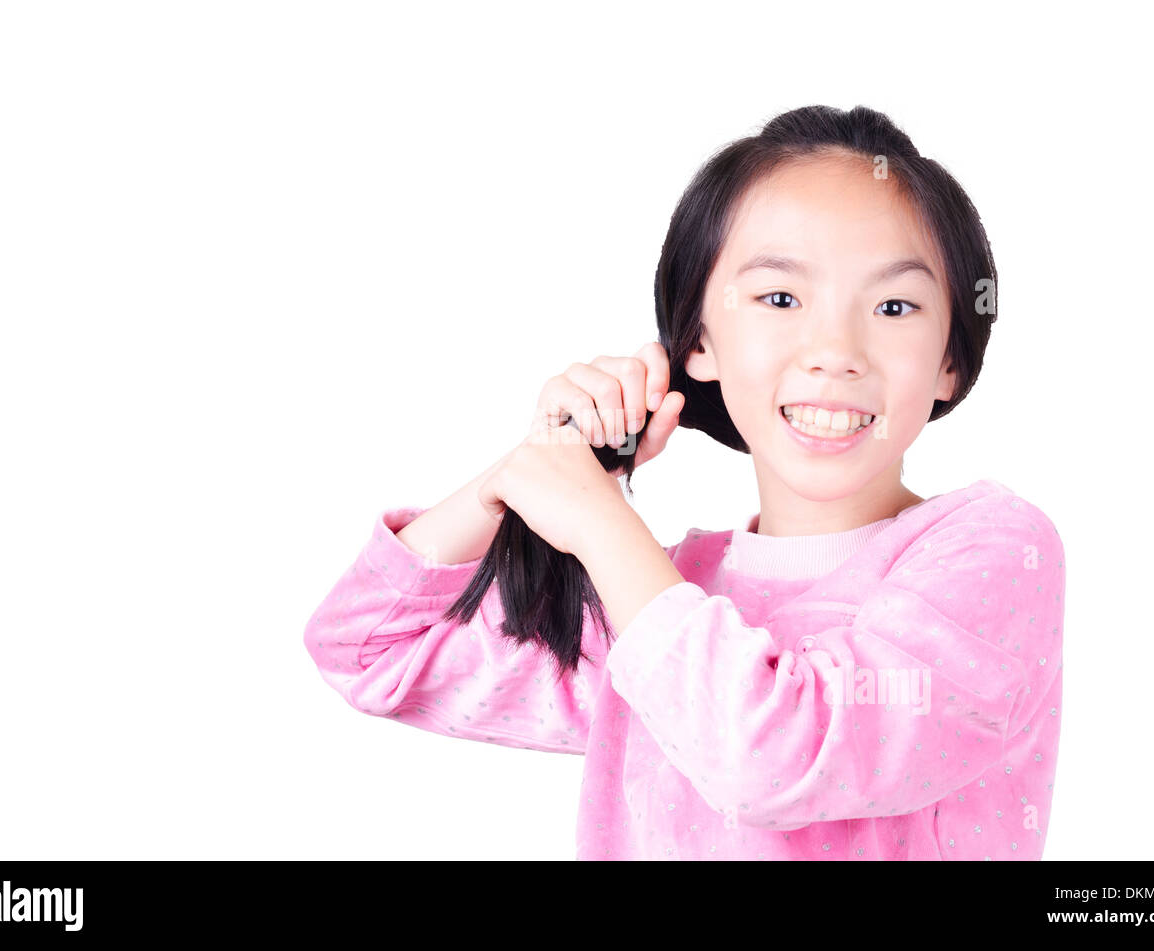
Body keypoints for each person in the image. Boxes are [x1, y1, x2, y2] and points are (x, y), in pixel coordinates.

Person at [302, 104, 1066, 860]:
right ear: (699, 340)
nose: (836, 351)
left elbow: (774, 755)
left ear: (949, 360)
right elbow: (363, 649)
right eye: (780, 298)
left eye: (894, 305)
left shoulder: (994, 552)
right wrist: (521, 472)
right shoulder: (662, 596)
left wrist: (599, 522)